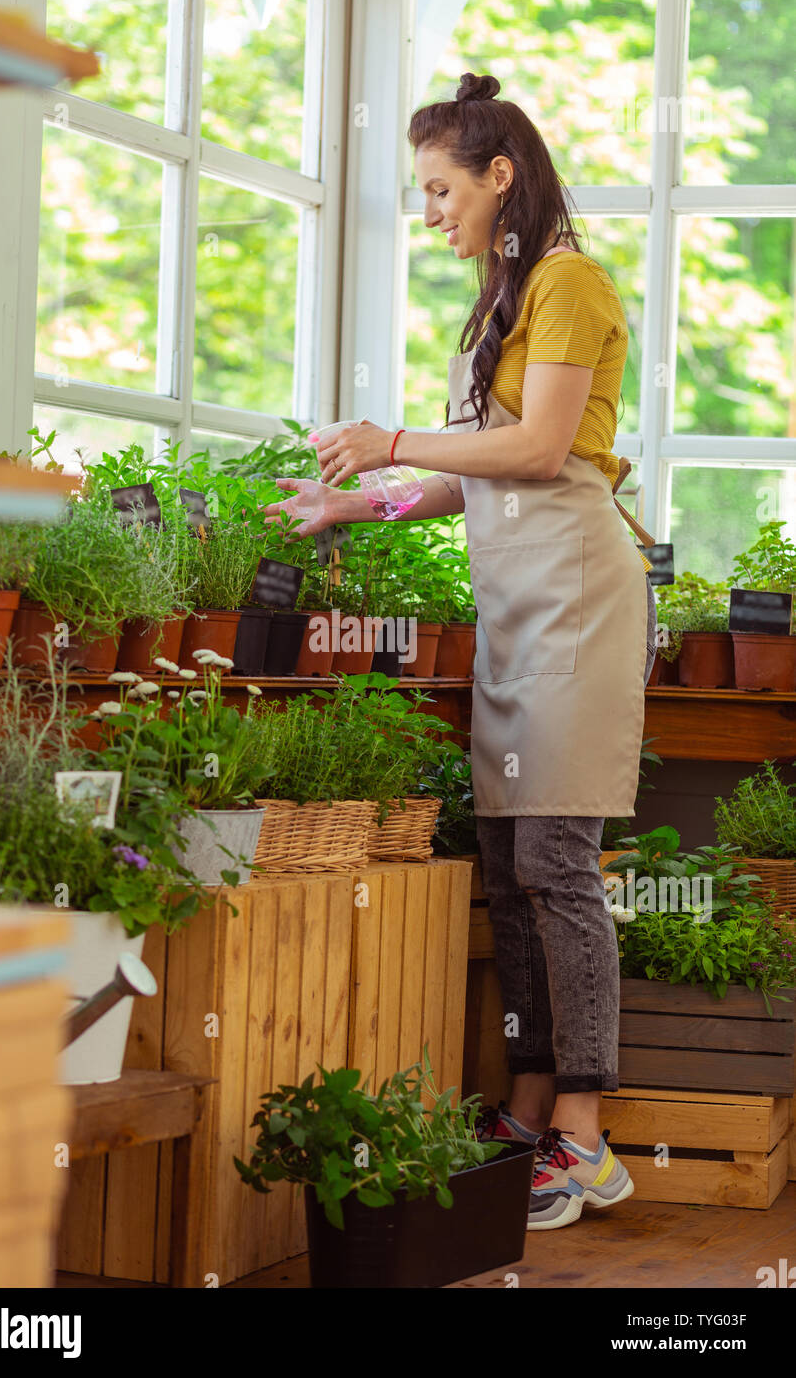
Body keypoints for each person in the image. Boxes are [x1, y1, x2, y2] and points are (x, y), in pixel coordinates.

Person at [264, 71, 658, 1231]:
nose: (429, 211)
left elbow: (540, 450)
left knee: (555, 864)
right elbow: (479, 465)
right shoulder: (501, 300)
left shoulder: (569, 281)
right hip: (514, 606)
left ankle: (584, 1136)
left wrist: (384, 432)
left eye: (440, 189)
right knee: (508, 867)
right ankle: (530, 1107)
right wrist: (364, 501)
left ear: (500, 178)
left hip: (577, 601)